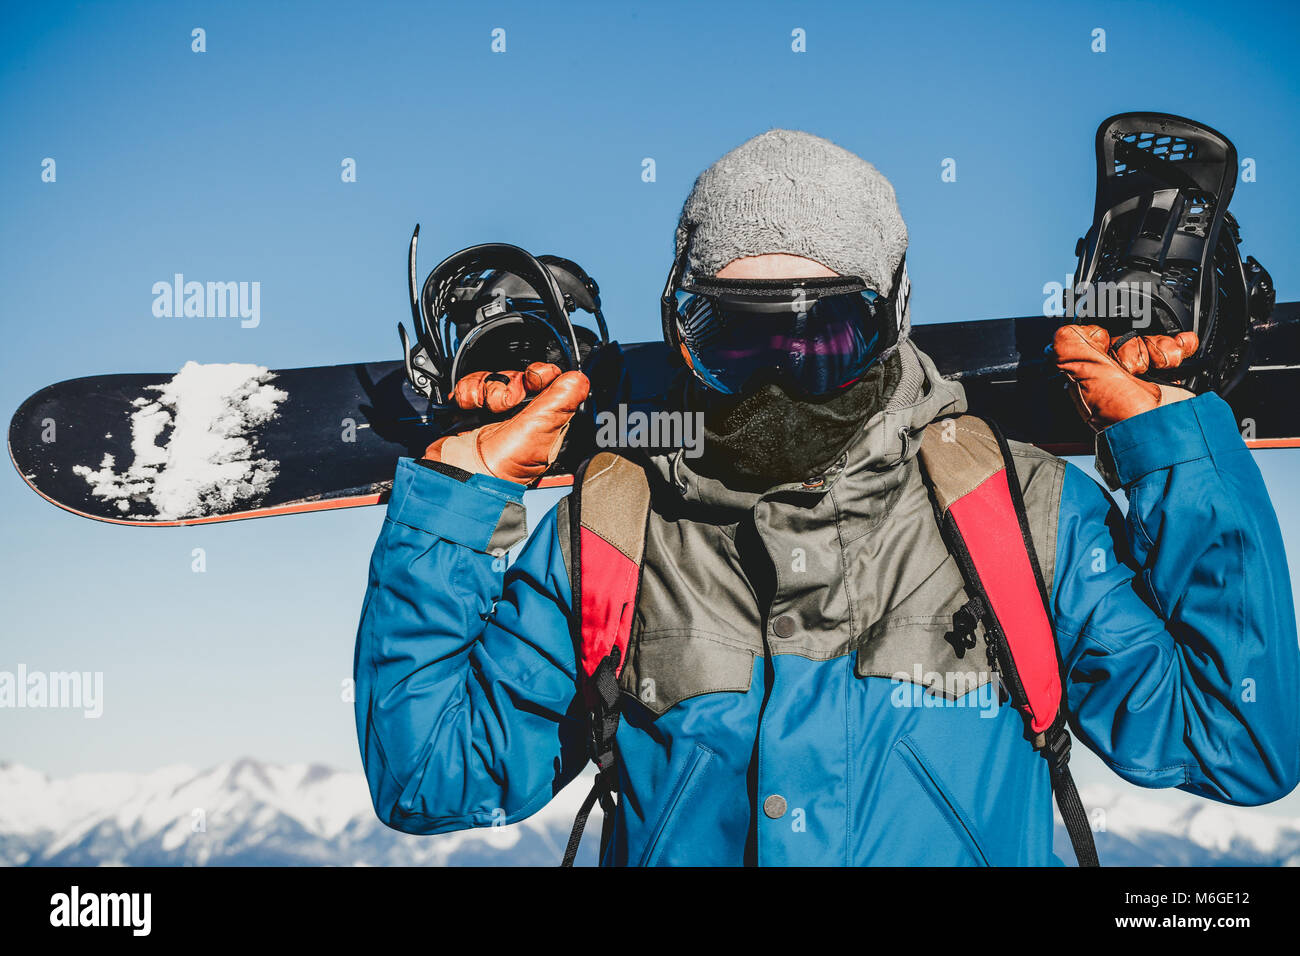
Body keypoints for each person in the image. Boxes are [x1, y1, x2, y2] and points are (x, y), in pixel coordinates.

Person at [353, 129, 1299, 865]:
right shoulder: (616, 530)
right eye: (735, 339)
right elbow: (432, 775)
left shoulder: (1012, 515)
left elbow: (1238, 739)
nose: (778, 380)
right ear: (678, 332)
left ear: (890, 319)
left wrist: (1172, 448)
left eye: (823, 337)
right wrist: (460, 500)